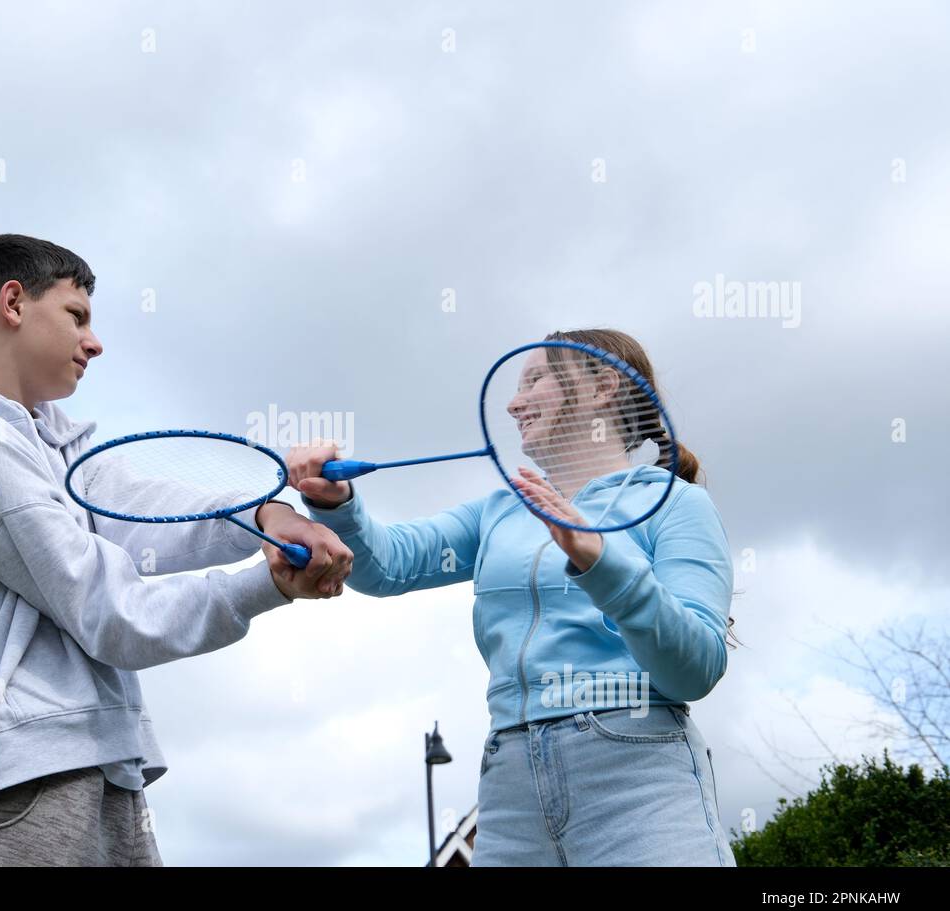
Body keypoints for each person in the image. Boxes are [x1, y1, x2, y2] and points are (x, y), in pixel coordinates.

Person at [0, 234, 352, 866]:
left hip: (100, 772)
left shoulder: (57, 449)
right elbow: (109, 610)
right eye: (76, 316)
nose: (94, 341)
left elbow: (145, 518)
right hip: (15, 792)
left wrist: (266, 514)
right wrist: (266, 584)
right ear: (12, 304)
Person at [287, 328, 737, 866]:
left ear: (602, 389)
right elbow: (386, 566)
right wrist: (339, 506)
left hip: (638, 775)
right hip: (509, 781)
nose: (512, 402)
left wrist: (601, 562)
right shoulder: (499, 511)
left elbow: (696, 670)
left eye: (536, 379)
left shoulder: (676, 505)